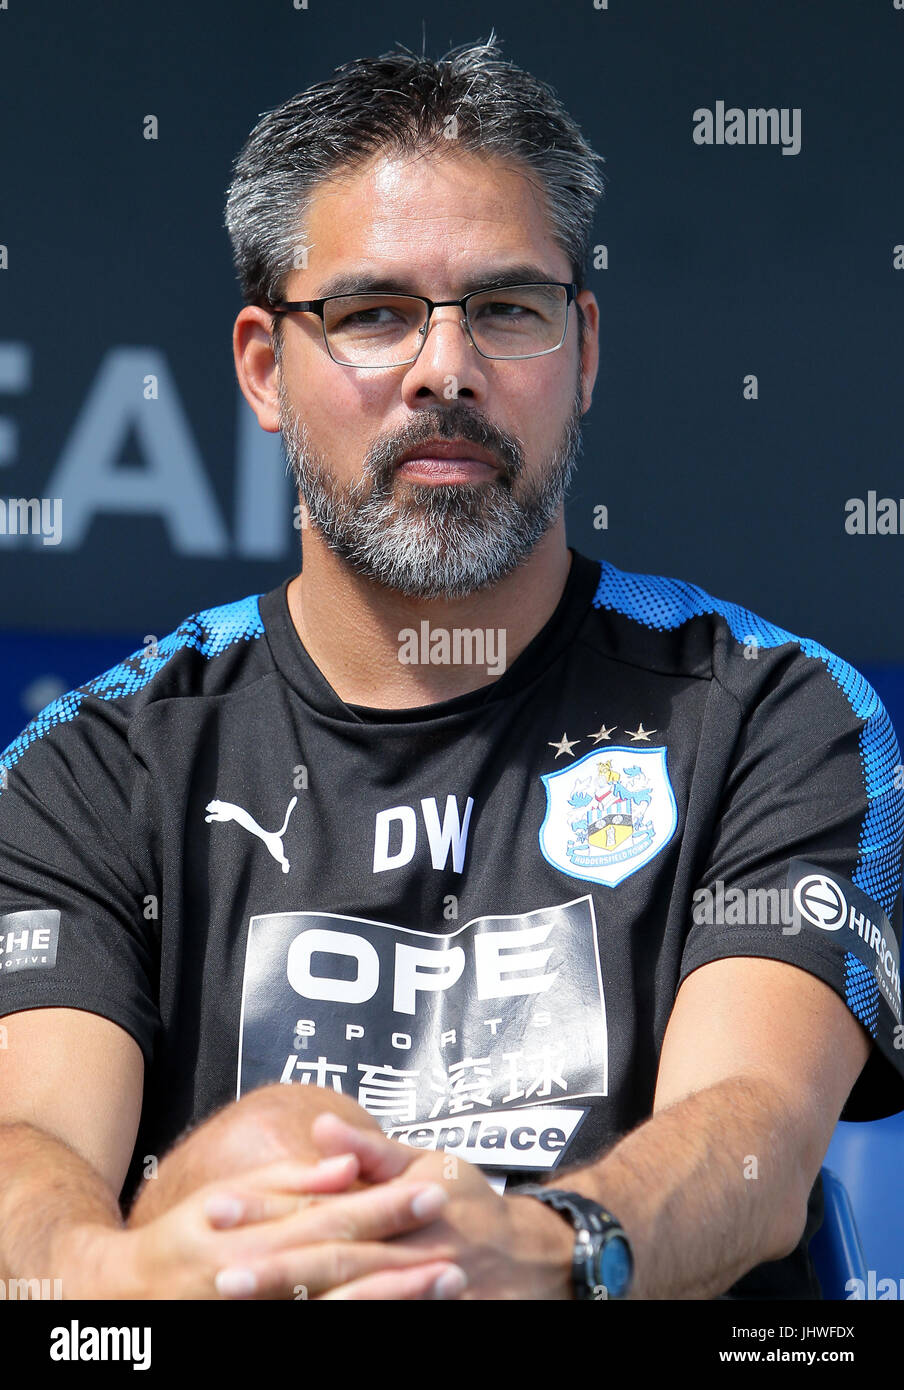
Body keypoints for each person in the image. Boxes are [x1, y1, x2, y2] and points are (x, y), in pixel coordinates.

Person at [0, 37, 902, 1303]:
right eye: (372, 314)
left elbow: (753, 1130)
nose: (445, 369)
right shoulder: (91, 767)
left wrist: (541, 1251)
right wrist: (126, 1273)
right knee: (254, 1155)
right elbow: (28, 1150)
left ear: (581, 350)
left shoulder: (771, 711)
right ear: (265, 367)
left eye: (505, 308)